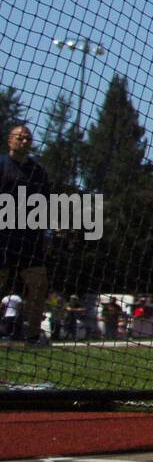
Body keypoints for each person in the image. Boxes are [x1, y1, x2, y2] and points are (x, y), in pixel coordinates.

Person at [0, 124, 52, 346]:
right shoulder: (1, 165)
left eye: (28, 139)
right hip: (2, 235)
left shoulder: (38, 171)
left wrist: (47, 231)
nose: (24, 142)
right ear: (9, 141)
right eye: (20, 138)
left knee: (39, 285)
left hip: (29, 238)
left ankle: (32, 336)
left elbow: (45, 204)